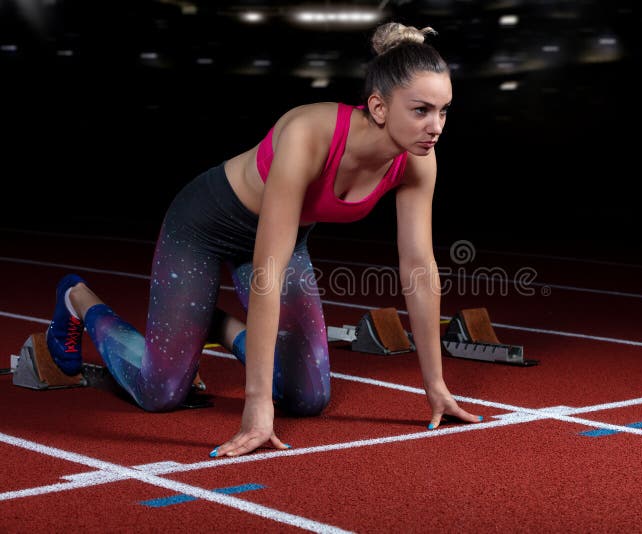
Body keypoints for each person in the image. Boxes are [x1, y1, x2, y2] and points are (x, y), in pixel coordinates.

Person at [45, 21, 482, 458]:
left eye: (444, 111)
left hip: (282, 239)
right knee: (160, 392)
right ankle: (78, 299)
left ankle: (208, 320)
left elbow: (419, 269)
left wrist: (436, 386)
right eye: (421, 110)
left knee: (307, 399)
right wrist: (256, 407)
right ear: (379, 107)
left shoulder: (418, 161)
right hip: (202, 227)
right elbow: (266, 274)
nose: (436, 126)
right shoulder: (309, 134)